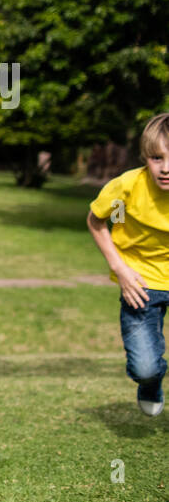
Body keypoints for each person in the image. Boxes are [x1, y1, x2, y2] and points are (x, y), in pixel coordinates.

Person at [86, 112, 169, 416]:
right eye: (157, 158)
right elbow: (96, 222)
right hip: (140, 282)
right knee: (145, 368)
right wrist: (119, 268)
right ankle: (151, 382)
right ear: (146, 156)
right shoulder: (127, 188)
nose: (166, 168)